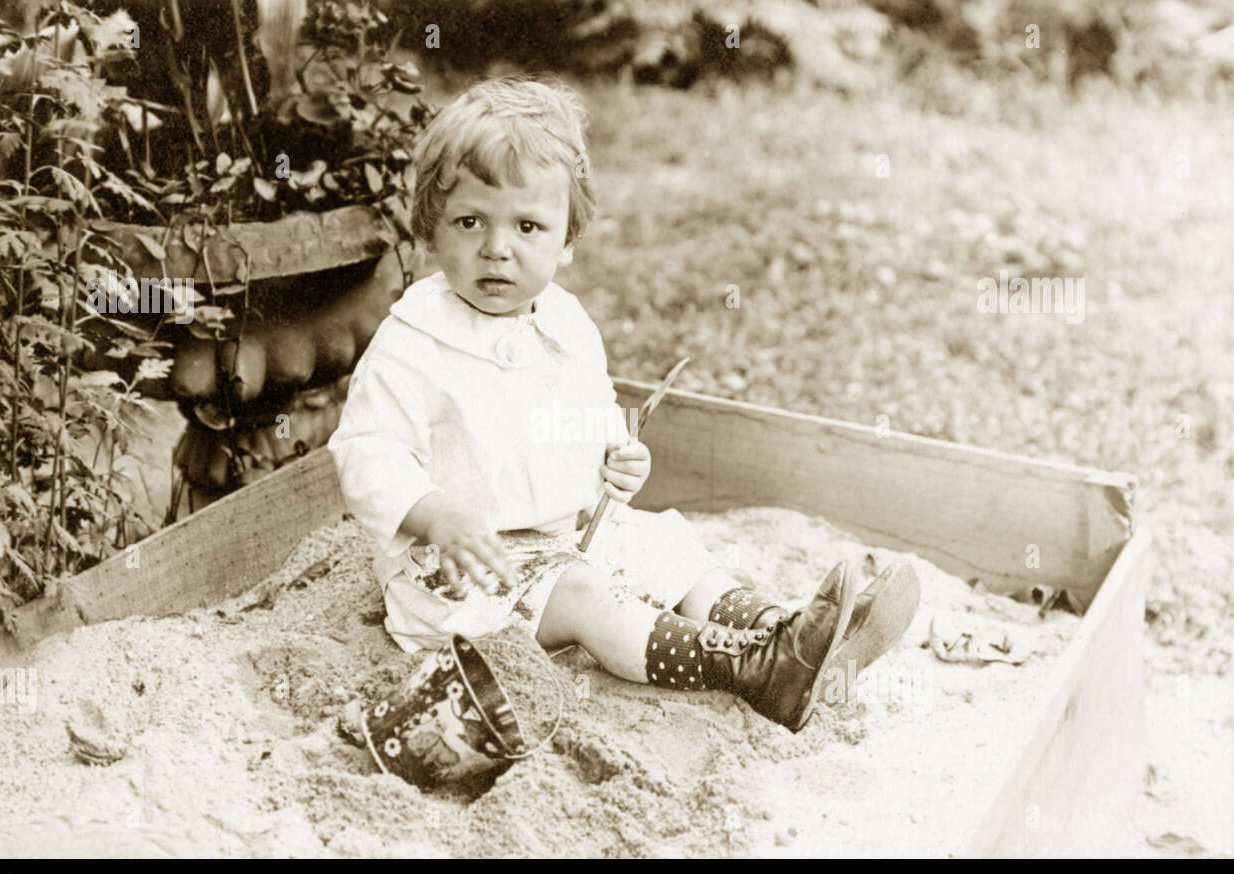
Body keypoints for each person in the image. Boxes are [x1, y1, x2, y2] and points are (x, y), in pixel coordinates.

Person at [328, 74, 920, 732]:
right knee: (588, 599)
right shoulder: (413, 342)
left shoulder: (565, 321)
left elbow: (593, 413)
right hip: (463, 572)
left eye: (528, 225)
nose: (498, 247)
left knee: (669, 544)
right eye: (470, 221)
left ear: (567, 241)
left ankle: (783, 635)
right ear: (431, 232)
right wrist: (437, 516)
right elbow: (367, 453)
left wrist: (615, 455)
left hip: (561, 535)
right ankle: (752, 670)